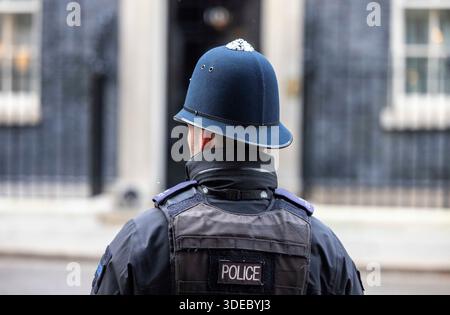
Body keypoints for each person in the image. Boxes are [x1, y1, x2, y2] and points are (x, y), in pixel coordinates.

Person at [91, 39, 364, 295]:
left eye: (189, 127)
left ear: (205, 136)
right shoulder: (323, 248)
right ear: (267, 139)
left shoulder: (143, 240)